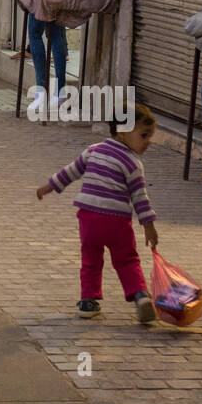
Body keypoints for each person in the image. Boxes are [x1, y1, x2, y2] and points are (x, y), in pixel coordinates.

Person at [36, 104, 160, 323]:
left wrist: (49, 186)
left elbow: (70, 172)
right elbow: (140, 198)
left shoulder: (93, 150)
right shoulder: (132, 164)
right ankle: (140, 295)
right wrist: (149, 226)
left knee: (91, 260)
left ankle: (87, 302)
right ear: (122, 131)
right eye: (143, 135)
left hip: (88, 218)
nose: (148, 141)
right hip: (117, 222)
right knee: (127, 260)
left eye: (149, 136)